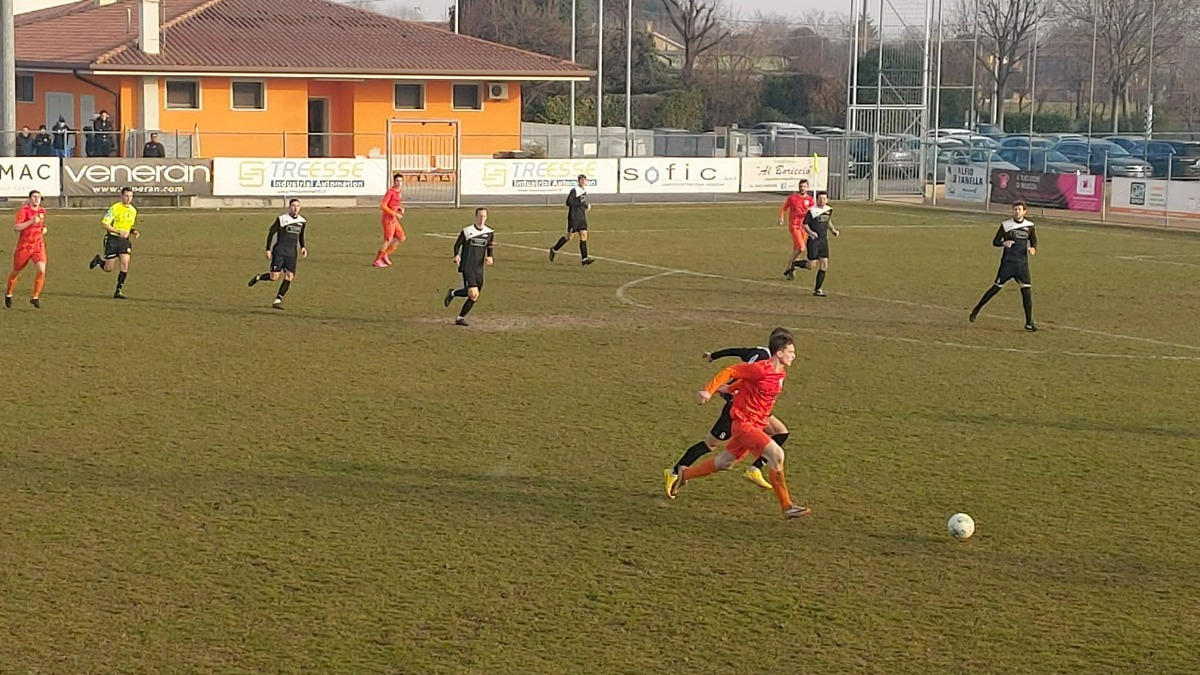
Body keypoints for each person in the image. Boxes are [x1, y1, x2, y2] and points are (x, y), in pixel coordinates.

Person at [672, 329, 810, 519]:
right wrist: (708, 390)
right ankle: (787, 506)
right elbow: (731, 371)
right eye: (791, 352)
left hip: (758, 423)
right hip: (744, 424)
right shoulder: (760, 368)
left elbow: (748, 384)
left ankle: (685, 474)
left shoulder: (780, 374)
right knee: (777, 454)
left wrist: (730, 388)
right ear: (779, 352)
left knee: (723, 463)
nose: (794, 356)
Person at [969, 202, 1038, 331]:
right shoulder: (1006, 225)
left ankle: (1029, 323)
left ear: (1025, 212)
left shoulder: (1029, 226)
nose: (1017, 212)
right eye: (1015, 209)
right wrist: (1004, 243)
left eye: (1019, 209)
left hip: (1022, 265)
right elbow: (995, 241)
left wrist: (1033, 248)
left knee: (1027, 293)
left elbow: (1033, 240)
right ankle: (976, 310)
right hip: (1008, 264)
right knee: (995, 289)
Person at [248, 199, 308, 310]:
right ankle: (259, 277)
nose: (295, 208)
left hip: (292, 253)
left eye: (298, 206)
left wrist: (303, 247)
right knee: (274, 277)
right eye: (293, 206)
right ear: (289, 207)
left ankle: (278, 300)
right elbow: (271, 233)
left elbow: (301, 235)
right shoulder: (282, 219)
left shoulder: (302, 221)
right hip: (280, 251)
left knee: (289, 276)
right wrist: (268, 249)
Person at [443, 208, 494, 327]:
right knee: (473, 293)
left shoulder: (489, 232)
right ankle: (460, 316)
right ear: (476, 216)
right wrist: (457, 255)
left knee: (474, 295)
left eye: (484, 216)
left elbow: (490, 247)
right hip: (467, 266)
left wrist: (490, 257)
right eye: (480, 216)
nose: (482, 218)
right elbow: (457, 245)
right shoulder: (467, 231)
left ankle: (455, 299)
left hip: (479, 268)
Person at [88, 187, 139, 299]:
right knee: (108, 268)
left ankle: (118, 290)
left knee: (125, 264)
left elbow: (129, 225)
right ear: (121, 196)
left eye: (130, 196)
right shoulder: (115, 208)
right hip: (112, 240)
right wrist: (117, 231)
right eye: (126, 196)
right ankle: (98, 261)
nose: (128, 198)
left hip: (124, 242)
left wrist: (133, 231)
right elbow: (105, 224)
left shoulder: (133, 210)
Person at [6, 191, 48, 309]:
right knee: (16, 272)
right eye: (35, 197)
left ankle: (35, 297)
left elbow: (41, 226)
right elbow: (17, 227)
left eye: (39, 197)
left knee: (41, 270)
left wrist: (44, 229)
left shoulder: (42, 211)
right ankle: (9, 293)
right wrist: (31, 221)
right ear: (30, 199)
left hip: (38, 245)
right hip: (24, 246)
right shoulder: (24, 211)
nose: (37, 199)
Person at [792, 191, 839, 297]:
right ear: (816, 199)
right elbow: (804, 224)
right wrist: (811, 233)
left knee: (824, 264)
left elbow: (828, 221)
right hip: (813, 241)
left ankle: (818, 290)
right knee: (810, 265)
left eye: (824, 199)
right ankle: (794, 264)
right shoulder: (812, 211)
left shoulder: (829, 210)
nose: (822, 201)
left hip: (823, 241)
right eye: (820, 198)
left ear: (827, 200)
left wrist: (833, 230)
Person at [548, 174, 596, 266]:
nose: (583, 182)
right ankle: (554, 249)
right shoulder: (574, 190)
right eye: (581, 180)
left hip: (582, 217)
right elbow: (569, 202)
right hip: (574, 217)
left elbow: (582, 202)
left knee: (584, 236)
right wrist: (579, 202)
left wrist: (586, 205)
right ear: (578, 181)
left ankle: (584, 258)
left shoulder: (583, 191)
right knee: (569, 237)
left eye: (584, 180)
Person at [780, 179, 815, 280]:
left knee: (797, 249)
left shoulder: (811, 200)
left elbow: (813, 213)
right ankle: (792, 265)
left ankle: (790, 270)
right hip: (794, 225)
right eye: (801, 186)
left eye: (804, 186)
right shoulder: (792, 198)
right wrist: (782, 217)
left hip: (804, 227)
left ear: (807, 188)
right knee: (801, 248)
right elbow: (784, 208)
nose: (802, 188)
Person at [373, 173, 405, 267]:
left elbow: (393, 204)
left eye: (401, 181)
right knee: (388, 240)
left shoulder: (399, 192)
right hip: (388, 219)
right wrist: (394, 214)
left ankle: (385, 254)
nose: (399, 183)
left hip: (394, 219)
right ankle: (377, 260)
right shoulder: (390, 192)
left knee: (401, 238)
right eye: (397, 181)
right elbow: (383, 205)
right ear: (394, 181)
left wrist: (399, 208)